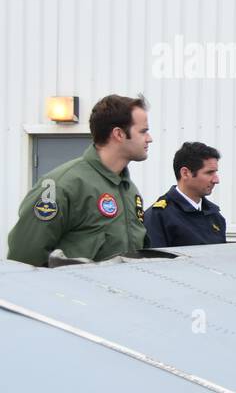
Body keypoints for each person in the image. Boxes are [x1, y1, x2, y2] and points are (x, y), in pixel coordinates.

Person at [7, 94, 151, 266]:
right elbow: (23, 259)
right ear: (119, 134)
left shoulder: (129, 190)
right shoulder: (61, 186)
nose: (149, 138)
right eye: (143, 131)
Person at [143, 142, 227, 247]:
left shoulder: (215, 216)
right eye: (209, 173)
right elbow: (155, 261)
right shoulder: (159, 217)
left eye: (216, 173)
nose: (216, 180)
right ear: (185, 173)